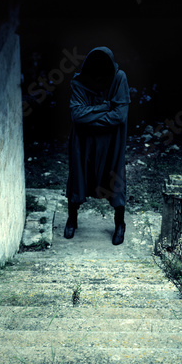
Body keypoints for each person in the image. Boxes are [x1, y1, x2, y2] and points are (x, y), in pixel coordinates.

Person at [64, 46, 130, 245]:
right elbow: (77, 116)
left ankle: (120, 224)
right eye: (96, 74)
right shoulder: (78, 82)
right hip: (83, 144)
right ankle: (72, 219)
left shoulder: (119, 79)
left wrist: (90, 115)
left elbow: (119, 116)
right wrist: (104, 107)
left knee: (114, 181)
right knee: (78, 178)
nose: (100, 79)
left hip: (112, 144)